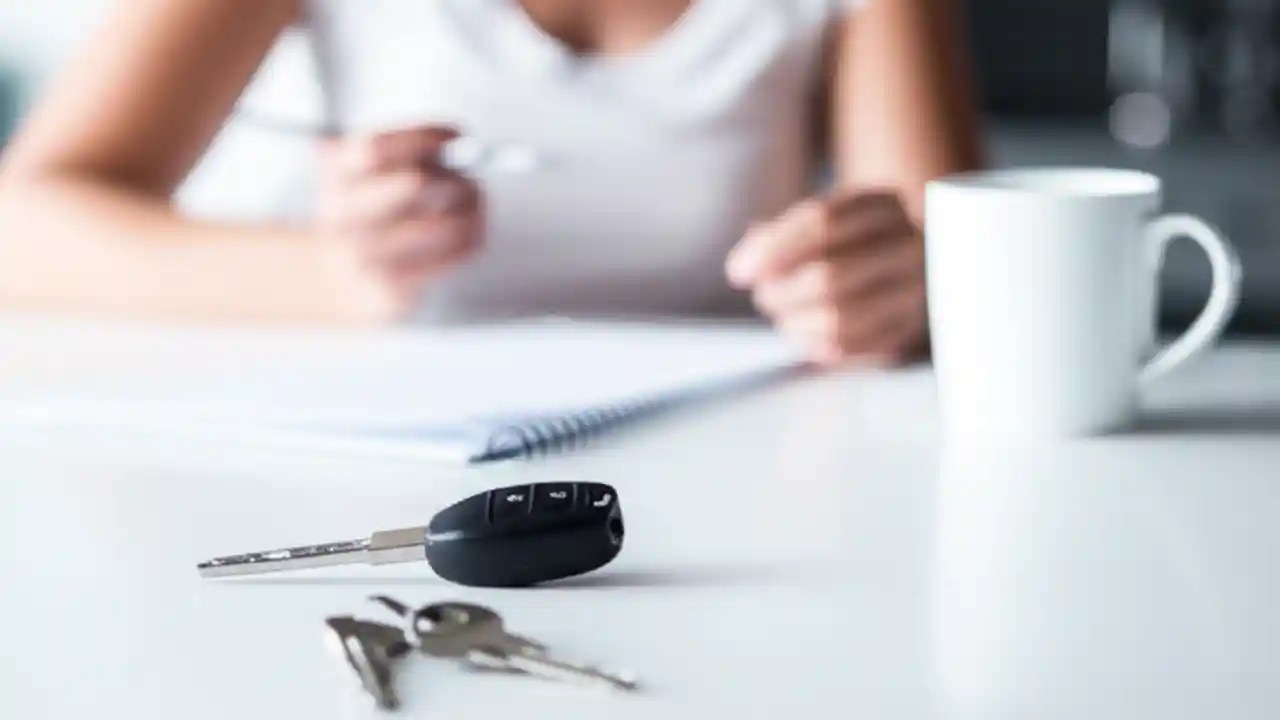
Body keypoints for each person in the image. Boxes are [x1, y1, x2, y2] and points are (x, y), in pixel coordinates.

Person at [0, 0, 981, 365]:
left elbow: (956, 266)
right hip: (362, 471)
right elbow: (22, 229)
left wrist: (891, 288)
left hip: (751, 480)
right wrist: (332, 276)